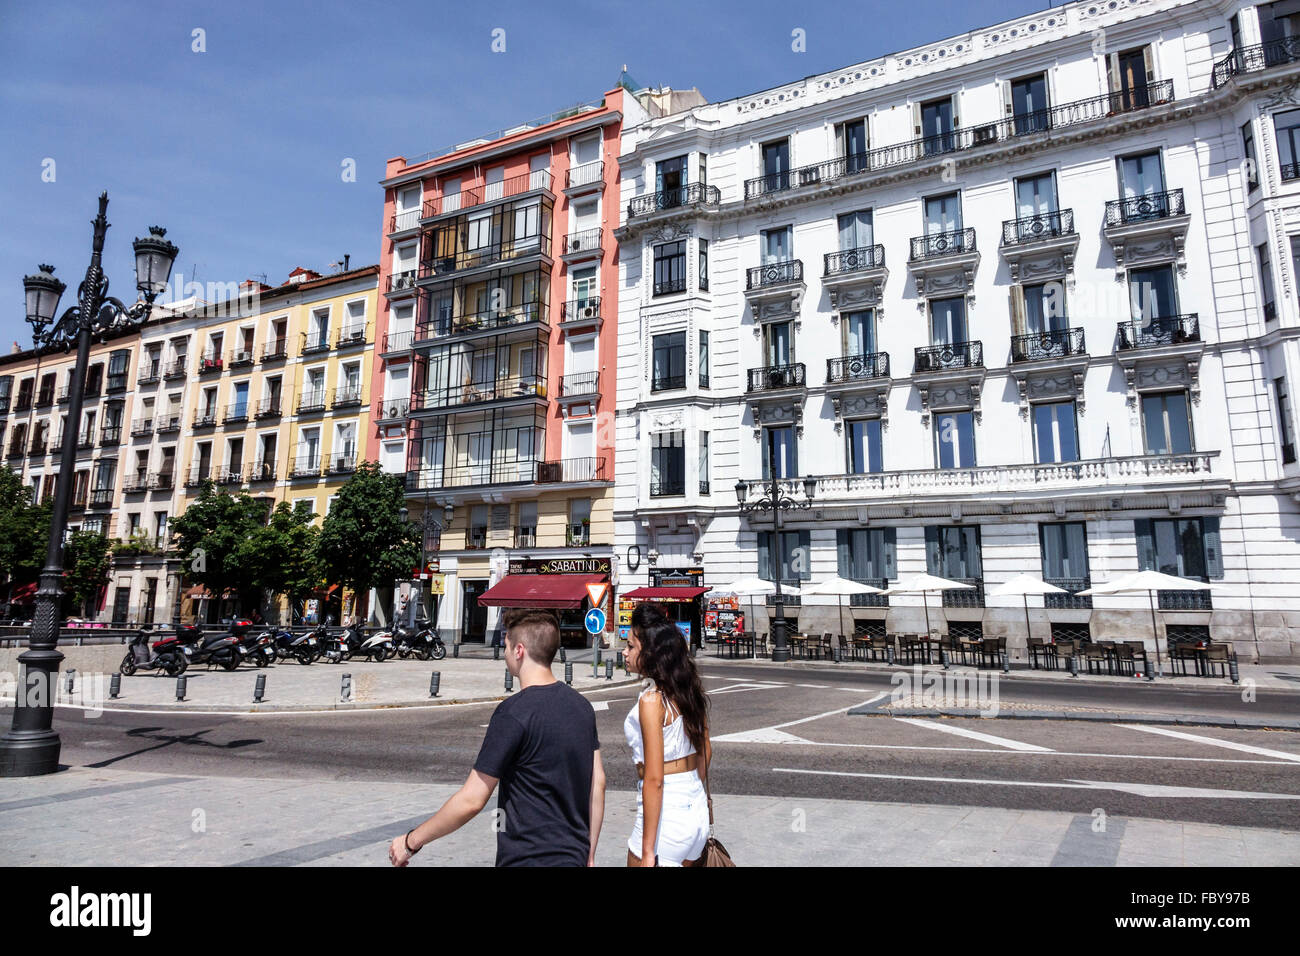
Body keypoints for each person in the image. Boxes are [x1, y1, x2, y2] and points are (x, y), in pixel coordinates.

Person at [389, 609, 605, 867]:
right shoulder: (582, 707)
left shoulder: (513, 713)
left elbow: (472, 800)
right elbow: (598, 784)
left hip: (527, 859)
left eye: (506, 646)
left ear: (519, 650)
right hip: (574, 858)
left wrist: (411, 841)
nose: (504, 653)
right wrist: (589, 853)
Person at [623, 618, 712, 867]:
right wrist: (690, 789)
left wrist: (649, 851)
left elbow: (655, 779)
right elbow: (706, 751)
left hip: (667, 819)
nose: (624, 652)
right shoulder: (688, 692)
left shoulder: (651, 700)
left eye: (630, 646)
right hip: (695, 808)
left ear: (650, 654)